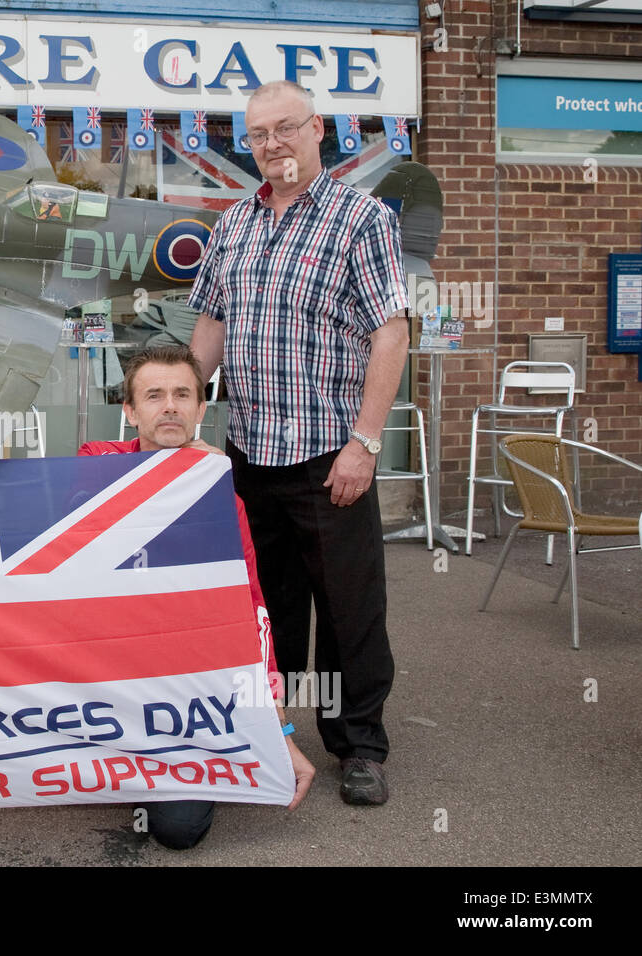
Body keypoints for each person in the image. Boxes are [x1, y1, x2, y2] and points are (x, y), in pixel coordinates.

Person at [187, 80, 410, 806]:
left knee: (348, 608)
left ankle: (359, 746)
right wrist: (179, 418)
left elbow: (390, 332)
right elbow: (211, 327)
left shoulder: (361, 218)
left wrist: (365, 443)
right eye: (258, 134)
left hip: (328, 454)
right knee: (269, 606)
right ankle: (273, 734)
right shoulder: (233, 225)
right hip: (250, 453)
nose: (272, 143)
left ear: (318, 129)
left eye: (286, 128)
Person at [79, 345, 315, 849]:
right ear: (130, 411)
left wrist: (280, 732)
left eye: (183, 394)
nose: (169, 406)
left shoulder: (223, 498)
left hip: (184, 687)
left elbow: (252, 609)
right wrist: (180, 465)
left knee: (178, 831)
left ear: (201, 409)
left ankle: (170, 769)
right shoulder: (95, 466)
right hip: (103, 682)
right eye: (154, 395)